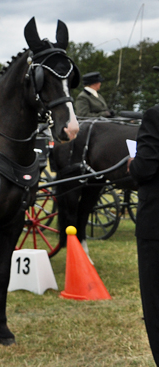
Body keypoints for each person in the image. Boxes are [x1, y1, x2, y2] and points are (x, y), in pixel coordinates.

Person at [128, 95, 159, 364]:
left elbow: (146, 167)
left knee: (156, 303)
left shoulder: (155, 114)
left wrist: (132, 165)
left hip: (156, 226)